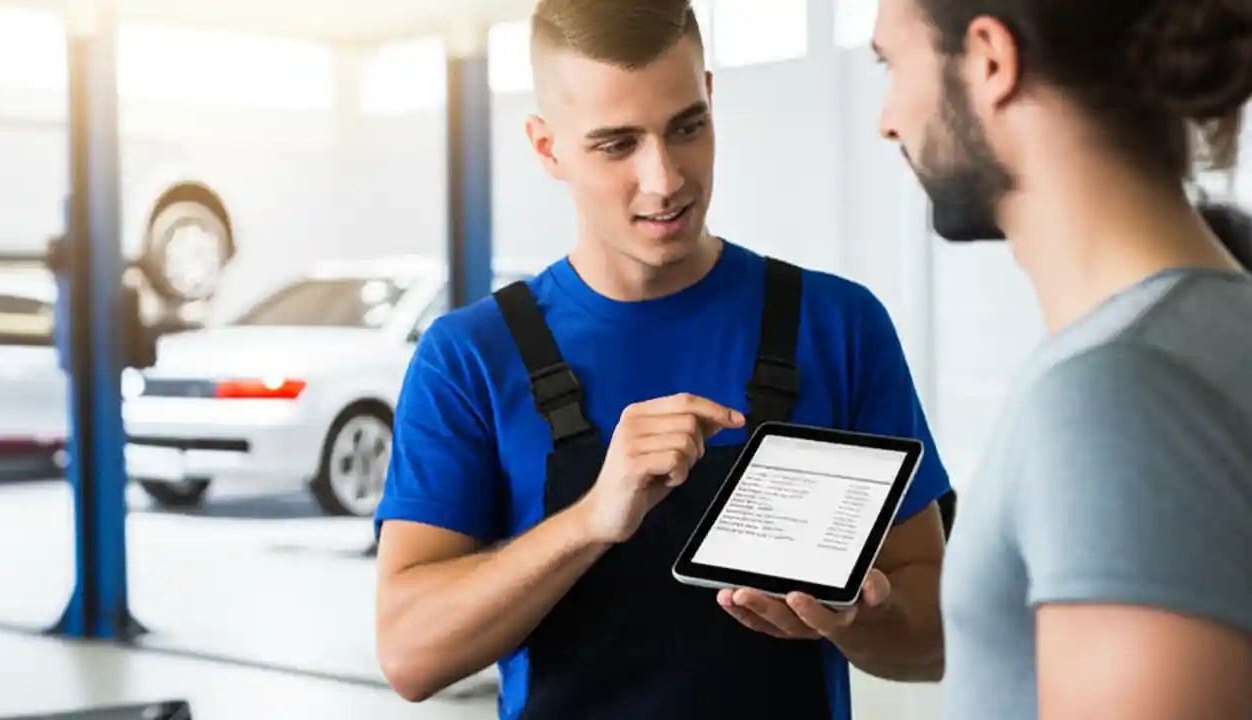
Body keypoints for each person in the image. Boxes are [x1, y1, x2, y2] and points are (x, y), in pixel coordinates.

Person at [373, 1, 952, 718]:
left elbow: (934, 641)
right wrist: (591, 520)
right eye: (617, 145)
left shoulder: (838, 326)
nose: (665, 179)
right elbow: (410, 655)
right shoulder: (469, 358)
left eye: (686, 127)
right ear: (548, 148)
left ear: (710, 96)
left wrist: (856, 621)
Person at [871, 0, 1252, 717]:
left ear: (990, 60)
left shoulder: (1118, 398)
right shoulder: (1203, 331)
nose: (887, 120)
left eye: (892, 64)